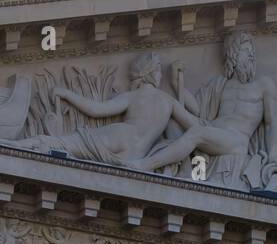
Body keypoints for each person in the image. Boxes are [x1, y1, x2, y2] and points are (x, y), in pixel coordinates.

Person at [124, 31, 277, 190]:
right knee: (172, 118)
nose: (251, 55)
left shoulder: (264, 85)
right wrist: (175, 82)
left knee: (197, 134)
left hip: (236, 140)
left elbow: (272, 123)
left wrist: (274, 156)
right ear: (233, 55)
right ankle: (192, 173)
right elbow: (198, 109)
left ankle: (145, 164)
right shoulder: (221, 84)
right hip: (212, 128)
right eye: (246, 50)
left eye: (252, 52)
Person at [17, 53, 194, 165]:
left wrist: (67, 94)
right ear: (150, 73)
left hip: (119, 136)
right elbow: (196, 127)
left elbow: (97, 109)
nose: (160, 74)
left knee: (64, 144)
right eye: (158, 70)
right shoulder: (170, 102)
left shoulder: (134, 96)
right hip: (135, 154)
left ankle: (19, 146)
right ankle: (17, 147)